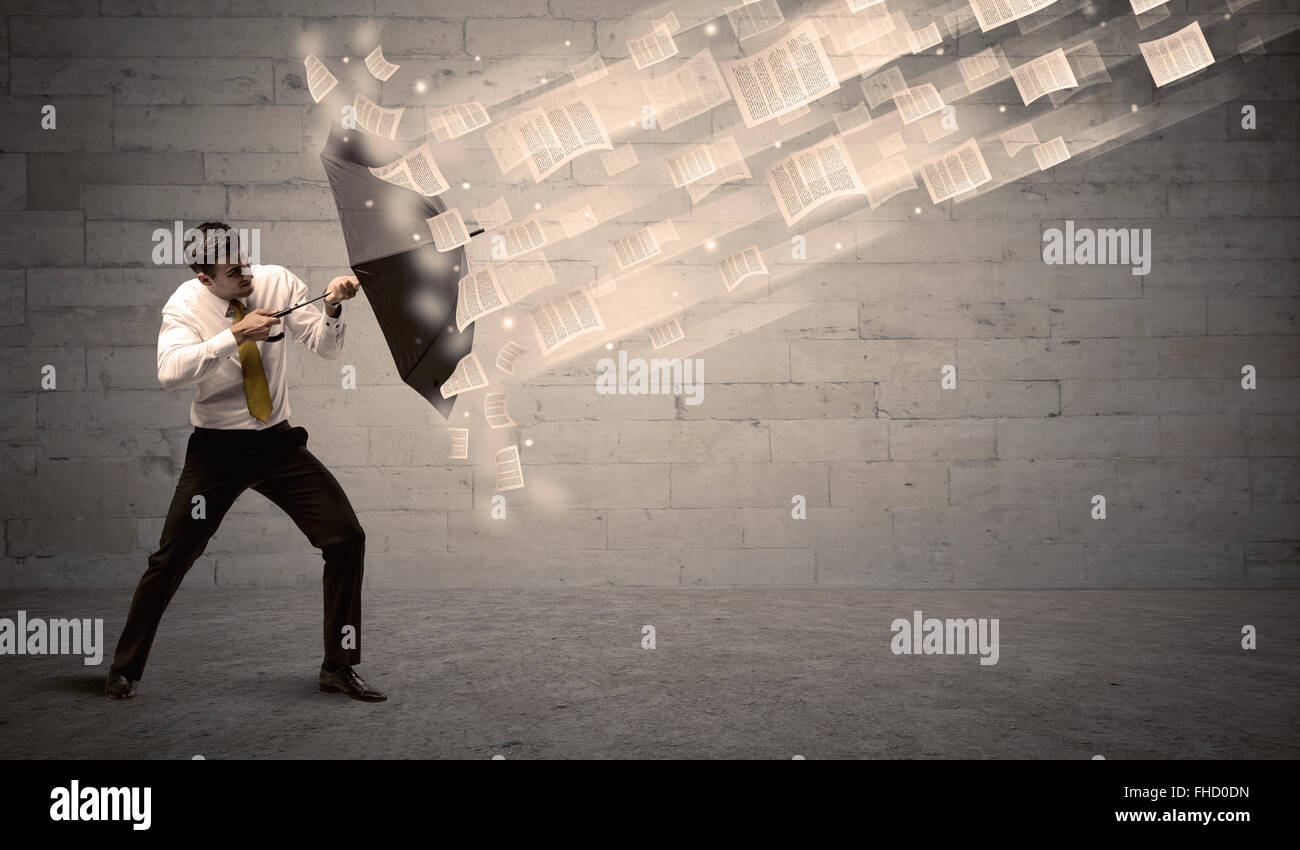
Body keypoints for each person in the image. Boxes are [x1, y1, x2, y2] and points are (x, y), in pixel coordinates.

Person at [104, 222, 386, 702]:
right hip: (217, 451)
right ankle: (124, 669)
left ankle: (338, 667)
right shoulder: (184, 305)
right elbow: (169, 373)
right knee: (171, 558)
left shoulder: (276, 281)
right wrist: (234, 334)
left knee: (346, 538)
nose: (248, 275)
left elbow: (324, 347)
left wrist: (333, 306)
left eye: (246, 262)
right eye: (234, 272)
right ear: (205, 278)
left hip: (277, 444)